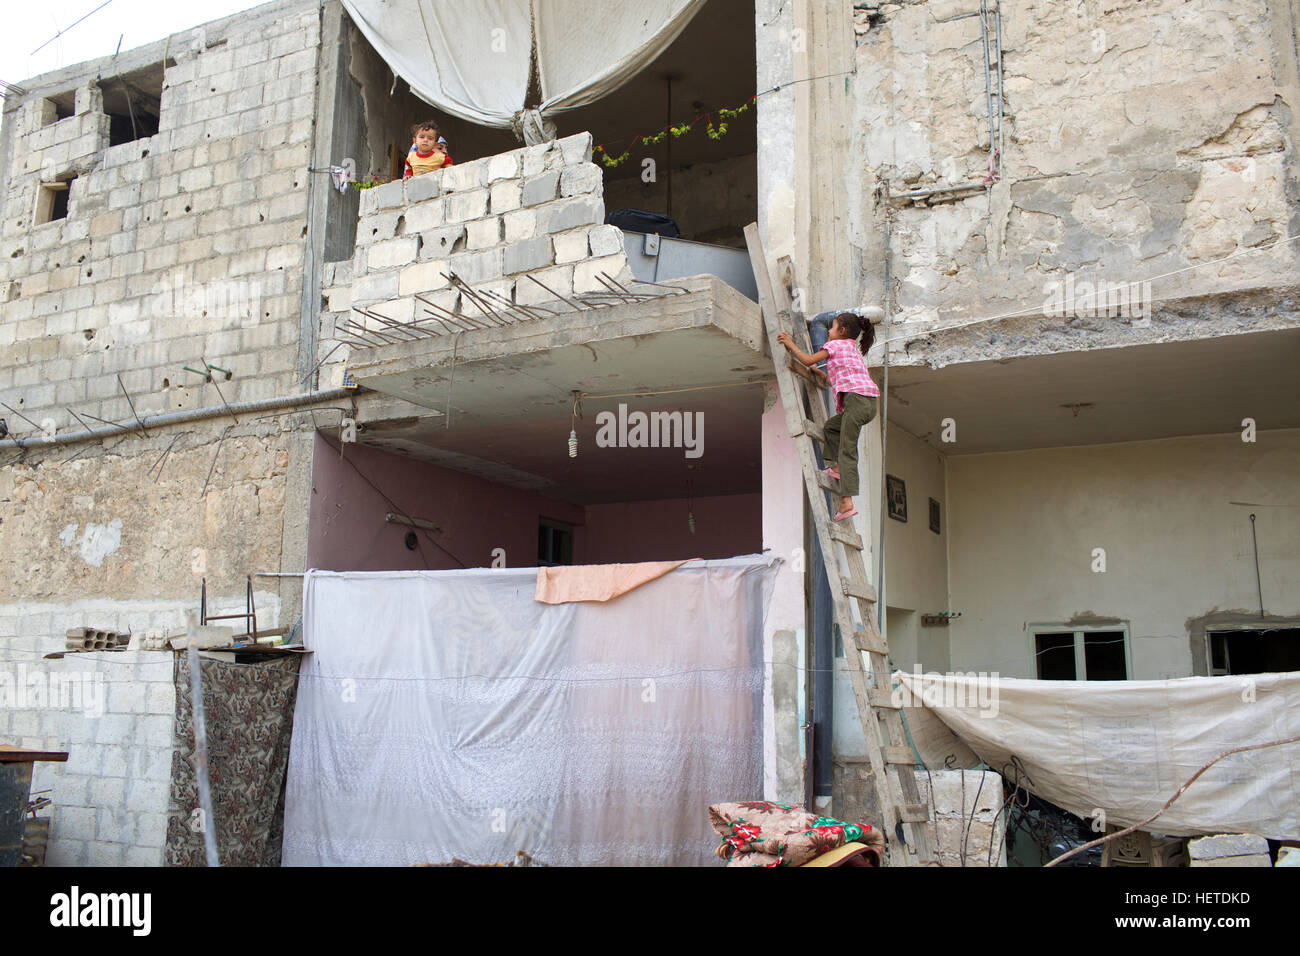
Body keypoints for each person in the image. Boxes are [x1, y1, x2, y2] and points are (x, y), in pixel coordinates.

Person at [776, 312, 879, 521]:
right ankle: (837, 467)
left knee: (848, 449)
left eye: (831, 328)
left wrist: (789, 343)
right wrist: (822, 374)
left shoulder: (834, 345)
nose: (828, 332)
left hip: (857, 402)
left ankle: (847, 503)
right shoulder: (851, 348)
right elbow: (845, 378)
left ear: (841, 331)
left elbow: (806, 359)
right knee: (832, 427)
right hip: (868, 403)